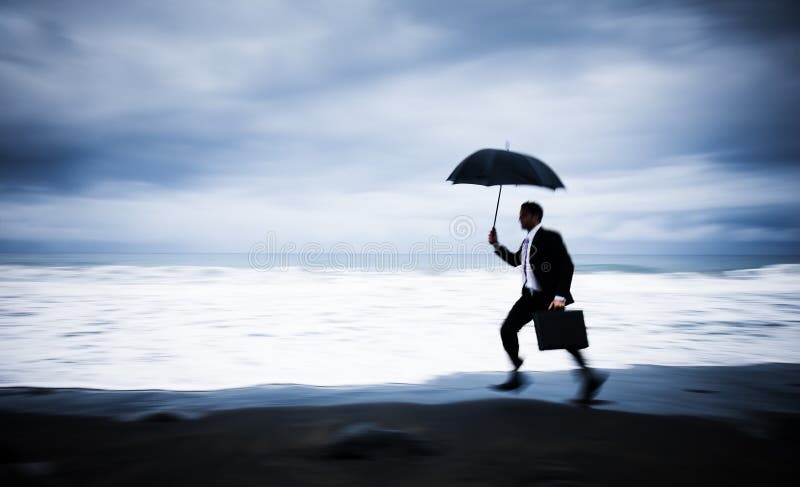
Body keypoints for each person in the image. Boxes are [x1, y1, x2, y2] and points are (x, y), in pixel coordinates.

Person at [488, 201, 607, 401]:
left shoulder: (550, 237)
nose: (520, 218)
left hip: (549, 298)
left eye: (524, 214)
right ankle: (516, 373)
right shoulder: (527, 241)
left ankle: (590, 377)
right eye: (520, 214)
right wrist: (496, 245)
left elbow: (566, 266)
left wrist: (560, 296)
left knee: (564, 340)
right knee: (507, 330)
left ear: (536, 217)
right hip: (528, 297)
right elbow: (515, 260)